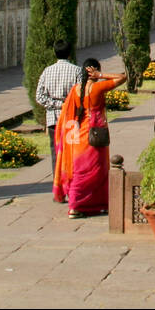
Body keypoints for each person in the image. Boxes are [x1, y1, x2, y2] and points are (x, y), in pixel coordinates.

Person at [54, 58, 124, 217]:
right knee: (97, 171)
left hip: (79, 135)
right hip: (95, 136)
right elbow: (122, 77)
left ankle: (80, 206)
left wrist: (70, 141)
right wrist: (101, 74)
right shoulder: (97, 88)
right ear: (94, 72)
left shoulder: (76, 90)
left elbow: (69, 115)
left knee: (80, 171)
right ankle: (86, 205)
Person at [34, 39, 77, 173]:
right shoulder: (76, 71)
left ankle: (57, 185)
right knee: (72, 152)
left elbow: (40, 96)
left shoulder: (47, 71)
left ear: (55, 52)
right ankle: (71, 184)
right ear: (70, 53)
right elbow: (81, 95)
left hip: (53, 119)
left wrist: (55, 104)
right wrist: (65, 104)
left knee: (56, 152)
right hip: (71, 118)